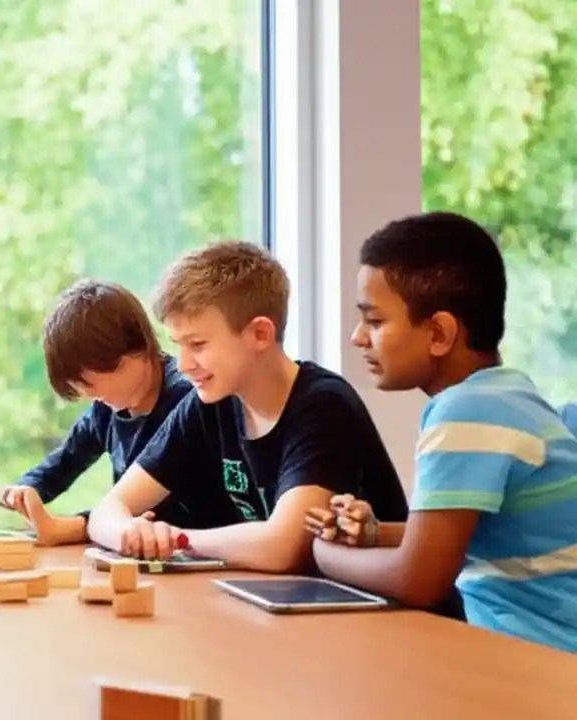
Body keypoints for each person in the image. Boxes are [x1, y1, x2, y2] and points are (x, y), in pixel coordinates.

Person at [305, 211, 577, 652]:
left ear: (438, 333)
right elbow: (467, 533)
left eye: (374, 321)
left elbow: (418, 580)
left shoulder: (467, 411)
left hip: (544, 665)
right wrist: (374, 534)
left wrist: (319, 554)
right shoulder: (506, 395)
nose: (358, 337)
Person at [87, 241, 408, 572]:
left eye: (198, 344)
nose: (182, 365)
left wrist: (175, 540)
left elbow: (280, 547)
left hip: (389, 615)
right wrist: (130, 532)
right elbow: (106, 511)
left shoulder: (324, 406)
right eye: (178, 345)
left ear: (259, 334)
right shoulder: (209, 402)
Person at [0, 280, 191, 545]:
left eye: (90, 383)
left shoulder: (187, 400)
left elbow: (162, 511)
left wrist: (74, 526)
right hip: (139, 547)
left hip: (192, 545)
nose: (89, 395)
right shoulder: (106, 409)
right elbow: (66, 459)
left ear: (136, 351)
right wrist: (27, 489)